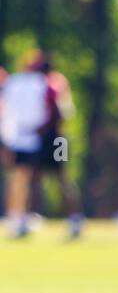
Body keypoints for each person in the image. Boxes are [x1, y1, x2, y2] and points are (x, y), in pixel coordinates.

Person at [0, 51, 83, 239]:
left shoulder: (52, 85)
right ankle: (31, 217)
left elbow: (61, 114)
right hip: (50, 138)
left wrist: (41, 128)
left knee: (60, 177)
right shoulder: (46, 85)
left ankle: (74, 218)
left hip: (55, 138)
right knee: (35, 177)